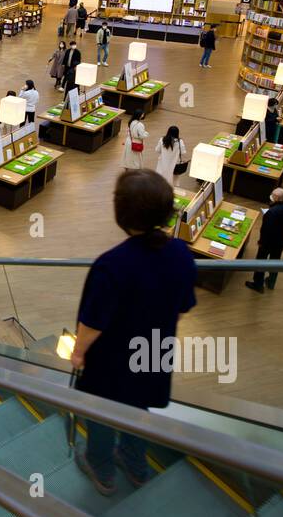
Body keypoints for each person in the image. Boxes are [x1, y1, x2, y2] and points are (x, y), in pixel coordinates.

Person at [71, 169, 196, 494]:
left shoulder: (111, 265)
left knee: (101, 414)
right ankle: (136, 465)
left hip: (110, 362)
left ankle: (102, 469)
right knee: (139, 410)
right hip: (154, 351)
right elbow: (182, 306)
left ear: (121, 212)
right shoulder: (182, 254)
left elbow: (93, 323)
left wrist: (79, 352)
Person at [245, 188, 283, 293]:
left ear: (277, 198)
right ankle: (271, 282)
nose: (271, 196)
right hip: (281, 242)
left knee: (261, 262)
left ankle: (258, 284)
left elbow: (265, 230)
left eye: (272, 195)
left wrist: (261, 242)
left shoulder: (271, 212)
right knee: (275, 261)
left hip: (267, 243)